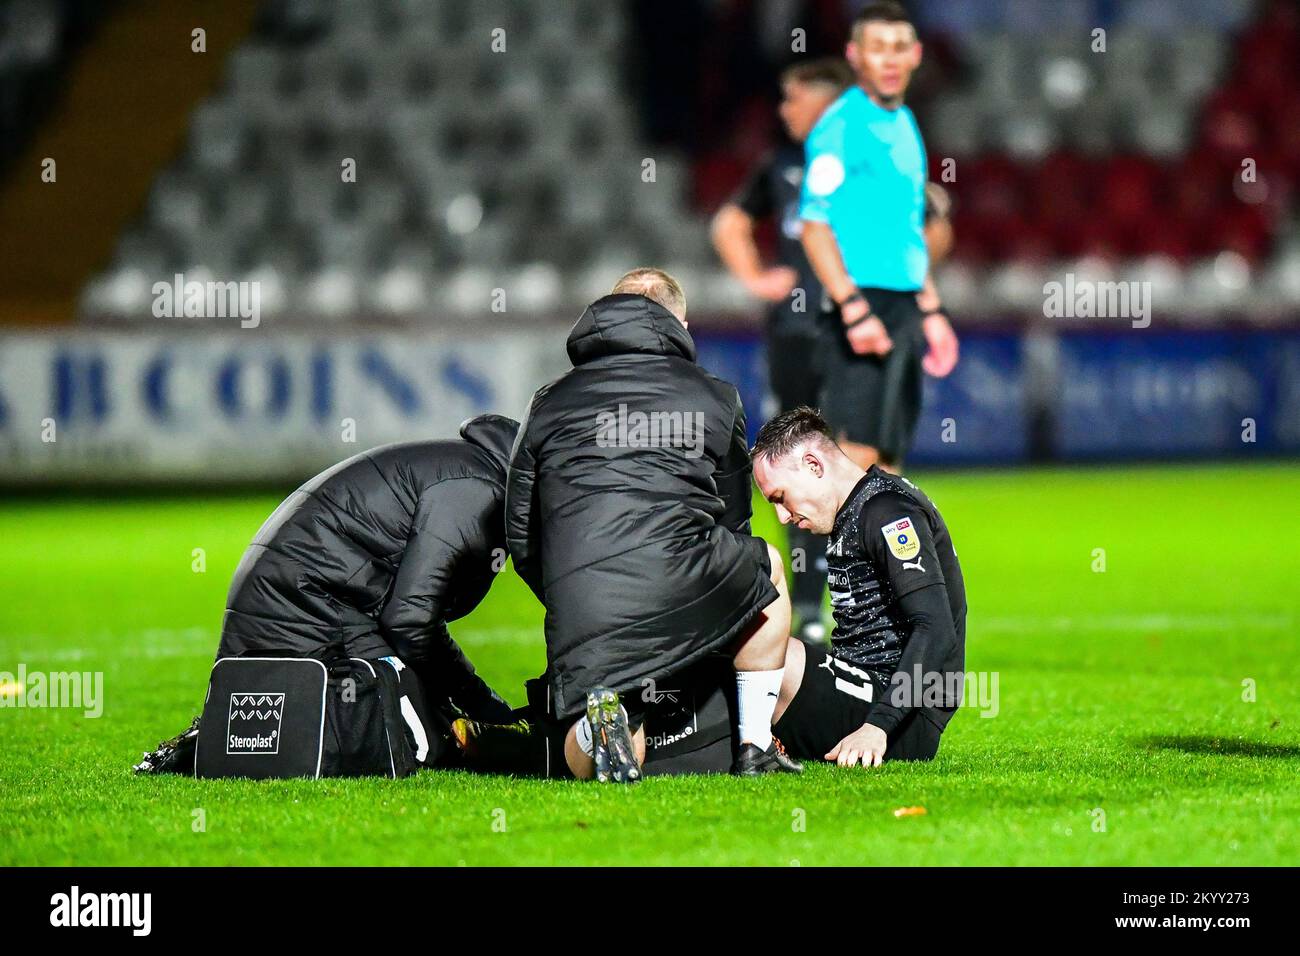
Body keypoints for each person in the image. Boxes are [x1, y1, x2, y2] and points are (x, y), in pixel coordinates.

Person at [506, 268, 801, 781]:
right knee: (768, 571)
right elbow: (735, 523)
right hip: (681, 577)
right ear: (681, 325)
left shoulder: (549, 400)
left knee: (623, 750)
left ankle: (602, 725)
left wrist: (574, 594)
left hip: (585, 600)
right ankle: (755, 747)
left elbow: (521, 532)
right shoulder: (714, 394)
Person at [135, 415, 523, 776]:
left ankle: (221, 734)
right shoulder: (474, 490)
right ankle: (216, 740)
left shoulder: (470, 473)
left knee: (432, 718)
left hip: (298, 596)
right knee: (430, 742)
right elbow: (410, 619)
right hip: (311, 603)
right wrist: (483, 702)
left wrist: (478, 701)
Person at [711, 57, 853, 644]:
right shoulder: (782, 166)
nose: (783, 111)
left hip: (853, 335)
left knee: (853, 463)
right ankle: (810, 604)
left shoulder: (864, 159)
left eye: (793, 100)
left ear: (824, 105)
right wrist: (756, 277)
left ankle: (859, 593)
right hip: (795, 338)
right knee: (792, 464)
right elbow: (729, 221)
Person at [750, 406, 966, 765]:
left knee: (764, 651)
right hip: (857, 688)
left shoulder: (888, 512)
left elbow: (937, 628)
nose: (782, 516)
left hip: (898, 719)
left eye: (780, 498)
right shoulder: (857, 506)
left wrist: (877, 728)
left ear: (814, 465)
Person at [799, 1, 959, 473]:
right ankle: (831, 551)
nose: (889, 59)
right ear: (855, 56)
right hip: (860, 302)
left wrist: (930, 308)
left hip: (903, 303)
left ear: (916, 54)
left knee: (888, 457)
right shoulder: (838, 128)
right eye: (878, 49)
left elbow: (910, 234)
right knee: (855, 454)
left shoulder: (906, 124)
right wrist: (852, 307)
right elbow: (814, 226)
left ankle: (870, 550)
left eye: (899, 48)